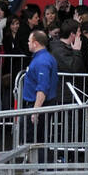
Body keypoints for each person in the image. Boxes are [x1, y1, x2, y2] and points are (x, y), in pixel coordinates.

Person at [23, 30, 58, 160]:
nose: (27, 43)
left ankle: (38, 169)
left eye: (29, 41)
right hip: (41, 104)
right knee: (39, 139)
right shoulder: (45, 58)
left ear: (35, 43)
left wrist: (35, 110)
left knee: (36, 140)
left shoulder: (42, 61)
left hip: (38, 104)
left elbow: (42, 89)